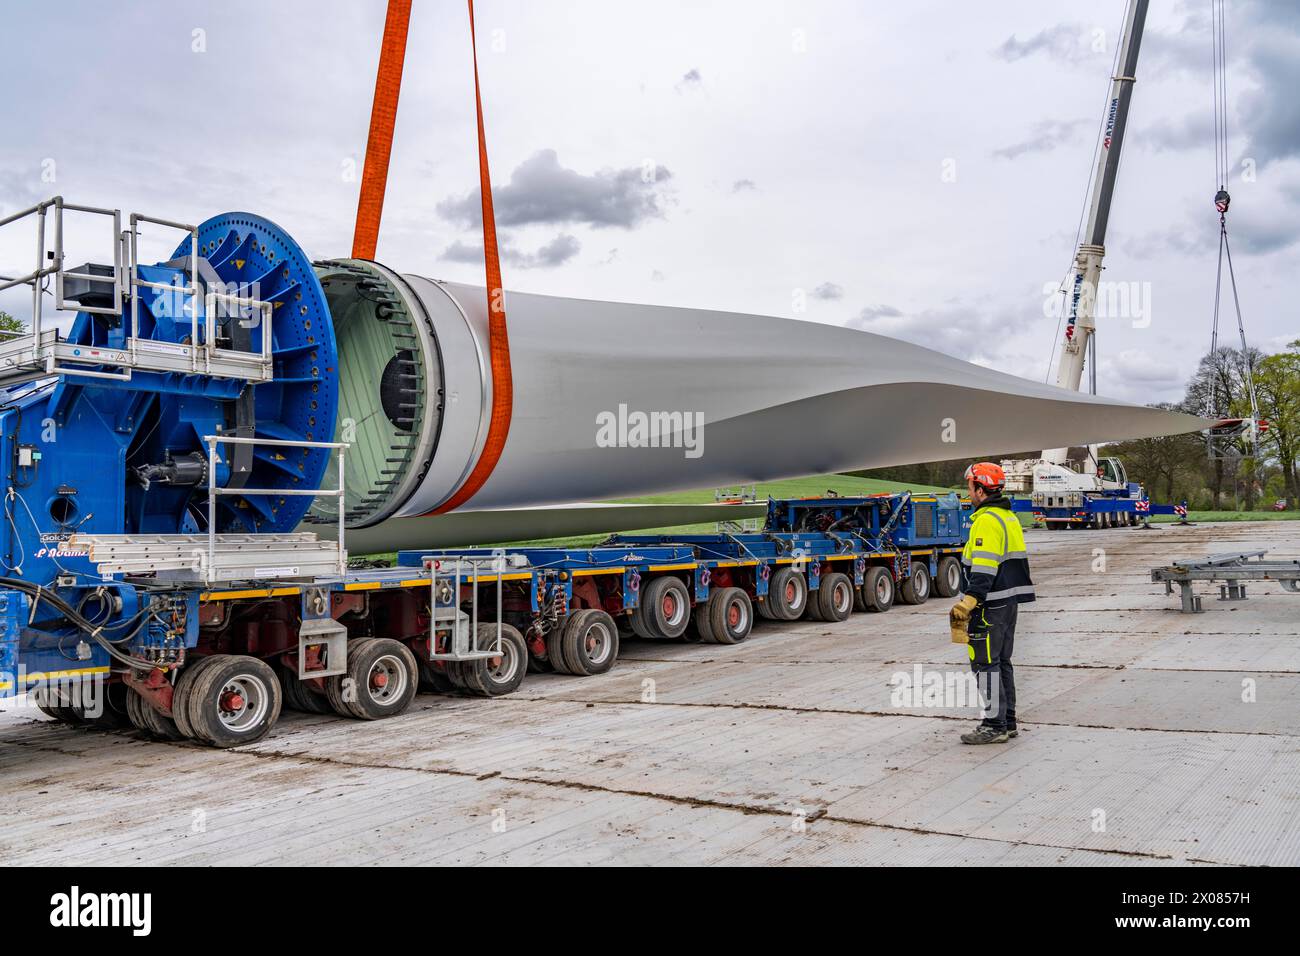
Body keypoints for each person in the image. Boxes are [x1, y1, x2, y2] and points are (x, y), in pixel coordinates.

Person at [949, 462, 1035, 744]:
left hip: (990, 605)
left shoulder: (986, 520)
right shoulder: (1008, 517)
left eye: (970, 486)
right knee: (1001, 662)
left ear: (979, 487)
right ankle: (1007, 722)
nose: (968, 491)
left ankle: (993, 725)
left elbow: (984, 567)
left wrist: (969, 602)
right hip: (1009, 603)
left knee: (984, 664)